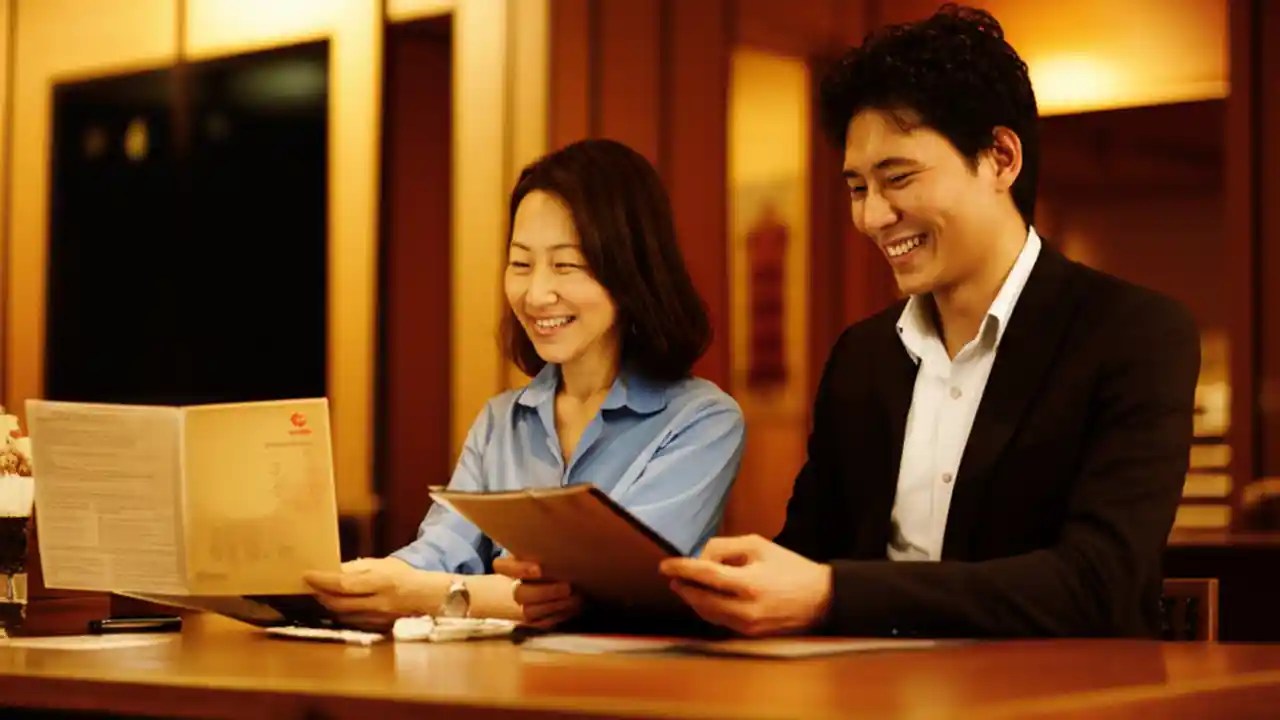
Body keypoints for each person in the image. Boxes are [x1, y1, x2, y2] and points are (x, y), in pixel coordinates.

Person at [660, 4, 1200, 638]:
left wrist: (835, 592)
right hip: (863, 697)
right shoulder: (863, 357)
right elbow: (808, 557)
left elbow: (1098, 583)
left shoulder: (1133, 335)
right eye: (858, 187)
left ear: (1001, 158)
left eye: (900, 179)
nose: (873, 217)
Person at [306, 139, 744, 630]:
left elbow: (602, 589)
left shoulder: (702, 420)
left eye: (566, 265)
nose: (536, 294)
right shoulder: (501, 421)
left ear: (631, 273)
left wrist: (419, 593)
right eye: (520, 263)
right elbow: (442, 550)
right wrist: (359, 580)